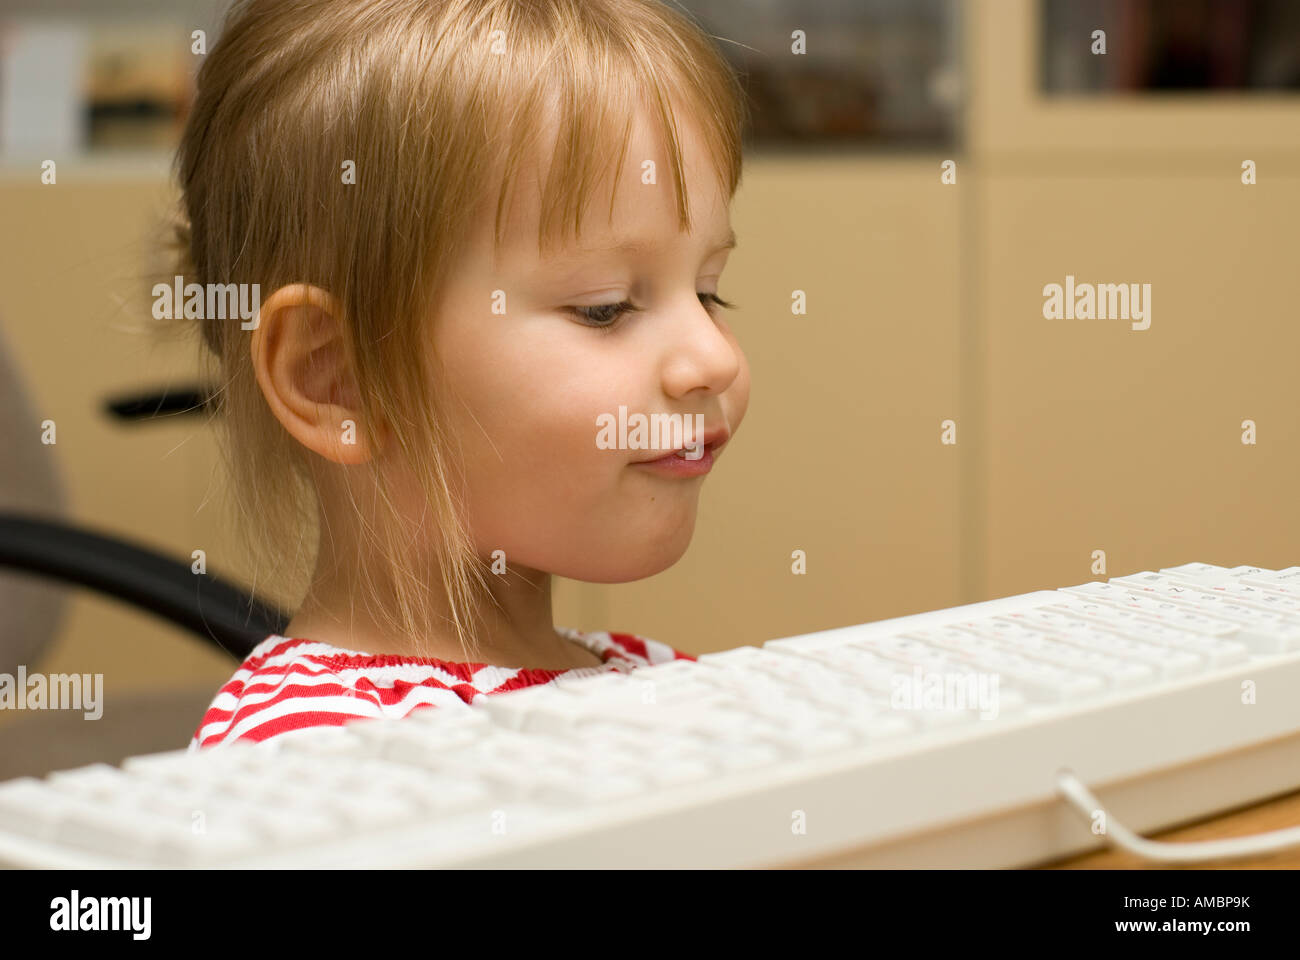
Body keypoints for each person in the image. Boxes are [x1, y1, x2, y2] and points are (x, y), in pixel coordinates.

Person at [176, 0, 751, 748]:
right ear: (337, 380)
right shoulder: (308, 757)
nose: (716, 357)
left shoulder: (661, 683)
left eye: (708, 292)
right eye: (604, 308)